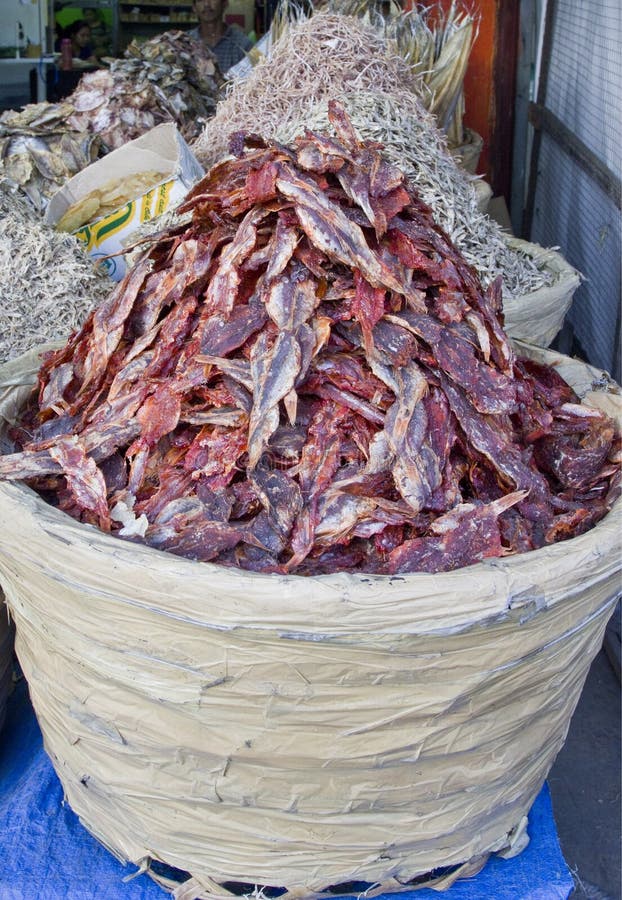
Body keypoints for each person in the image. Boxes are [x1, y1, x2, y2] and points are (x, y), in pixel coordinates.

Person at [189, 0, 253, 73]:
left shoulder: (244, 45)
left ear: (225, 3)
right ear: (194, 7)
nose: (206, 4)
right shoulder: (184, 43)